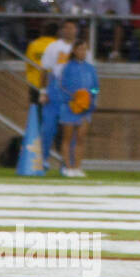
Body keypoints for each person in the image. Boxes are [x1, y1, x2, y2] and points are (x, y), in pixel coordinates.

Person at [56, 38, 98, 178]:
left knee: (81, 138)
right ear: (74, 51)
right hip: (70, 107)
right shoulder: (67, 67)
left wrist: (89, 98)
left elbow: (95, 88)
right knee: (67, 138)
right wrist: (74, 97)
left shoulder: (90, 68)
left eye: (85, 49)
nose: (83, 52)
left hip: (85, 109)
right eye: (80, 49)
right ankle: (67, 167)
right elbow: (62, 86)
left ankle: (77, 167)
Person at [39, 20, 77, 164]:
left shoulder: (81, 48)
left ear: (76, 30)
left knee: (70, 130)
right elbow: (44, 69)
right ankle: (42, 160)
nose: (68, 30)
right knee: (48, 128)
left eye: (71, 27)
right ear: (61, 31)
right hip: (55, 89)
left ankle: (68, 163)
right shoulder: (53, 47)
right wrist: (43, 91)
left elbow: (88, 71)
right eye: (66, 28)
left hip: (72, 92)